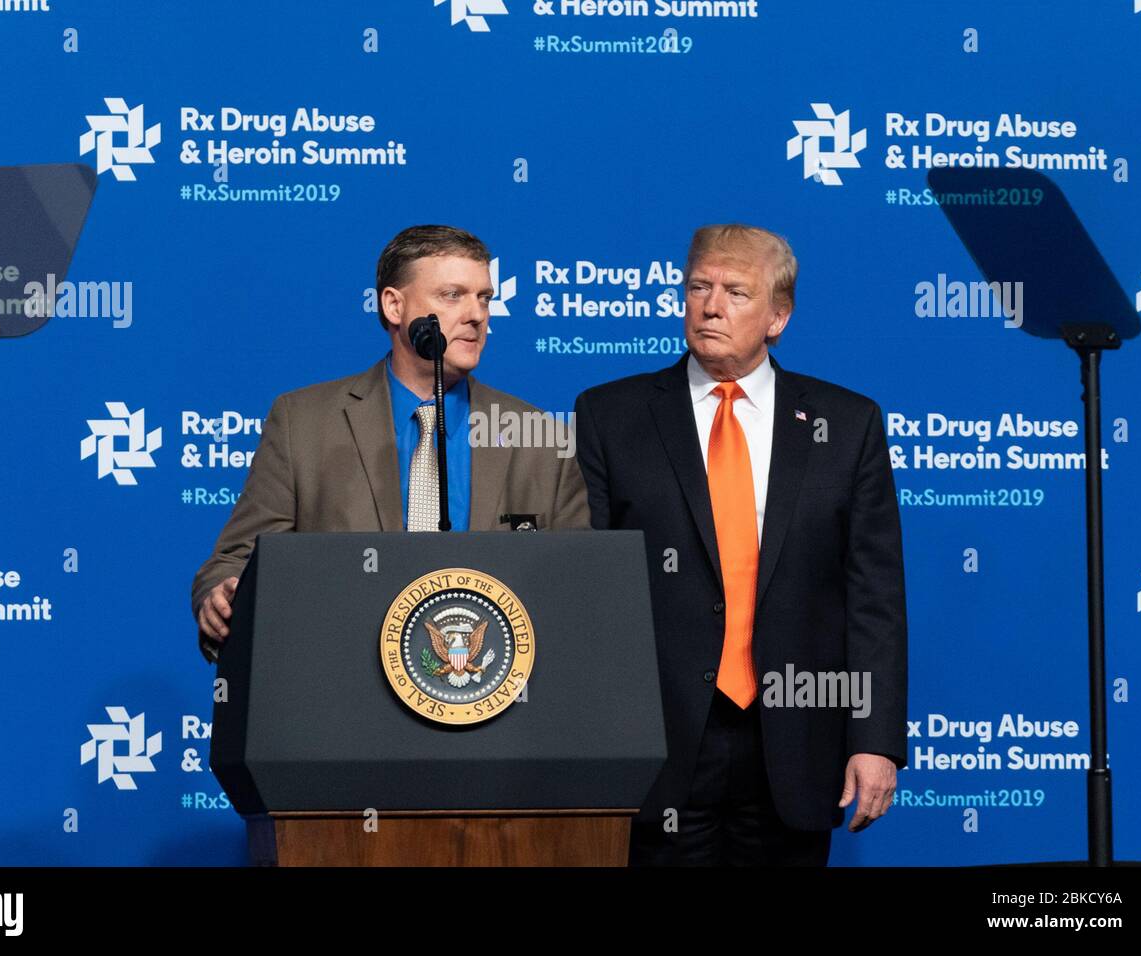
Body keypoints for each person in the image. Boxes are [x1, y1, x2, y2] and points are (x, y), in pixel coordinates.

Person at [574, 223, 907, 865]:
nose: (711, 305)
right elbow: (588, 588)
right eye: (698, 286)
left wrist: (875, 740)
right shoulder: (611, 415)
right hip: (657, 745)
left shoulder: (847, 424)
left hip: (797, 742)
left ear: (778, 316)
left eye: (735, 291)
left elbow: (876, 596)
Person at [193, 224, 589, 662]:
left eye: (484, 298)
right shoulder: (302, 422)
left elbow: (578, 584)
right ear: (394, 305)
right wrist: (221, 594)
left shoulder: (541, 436)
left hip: (492, 696)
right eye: (452, 295)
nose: (477, 314)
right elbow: (236, 560)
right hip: (343, 689)